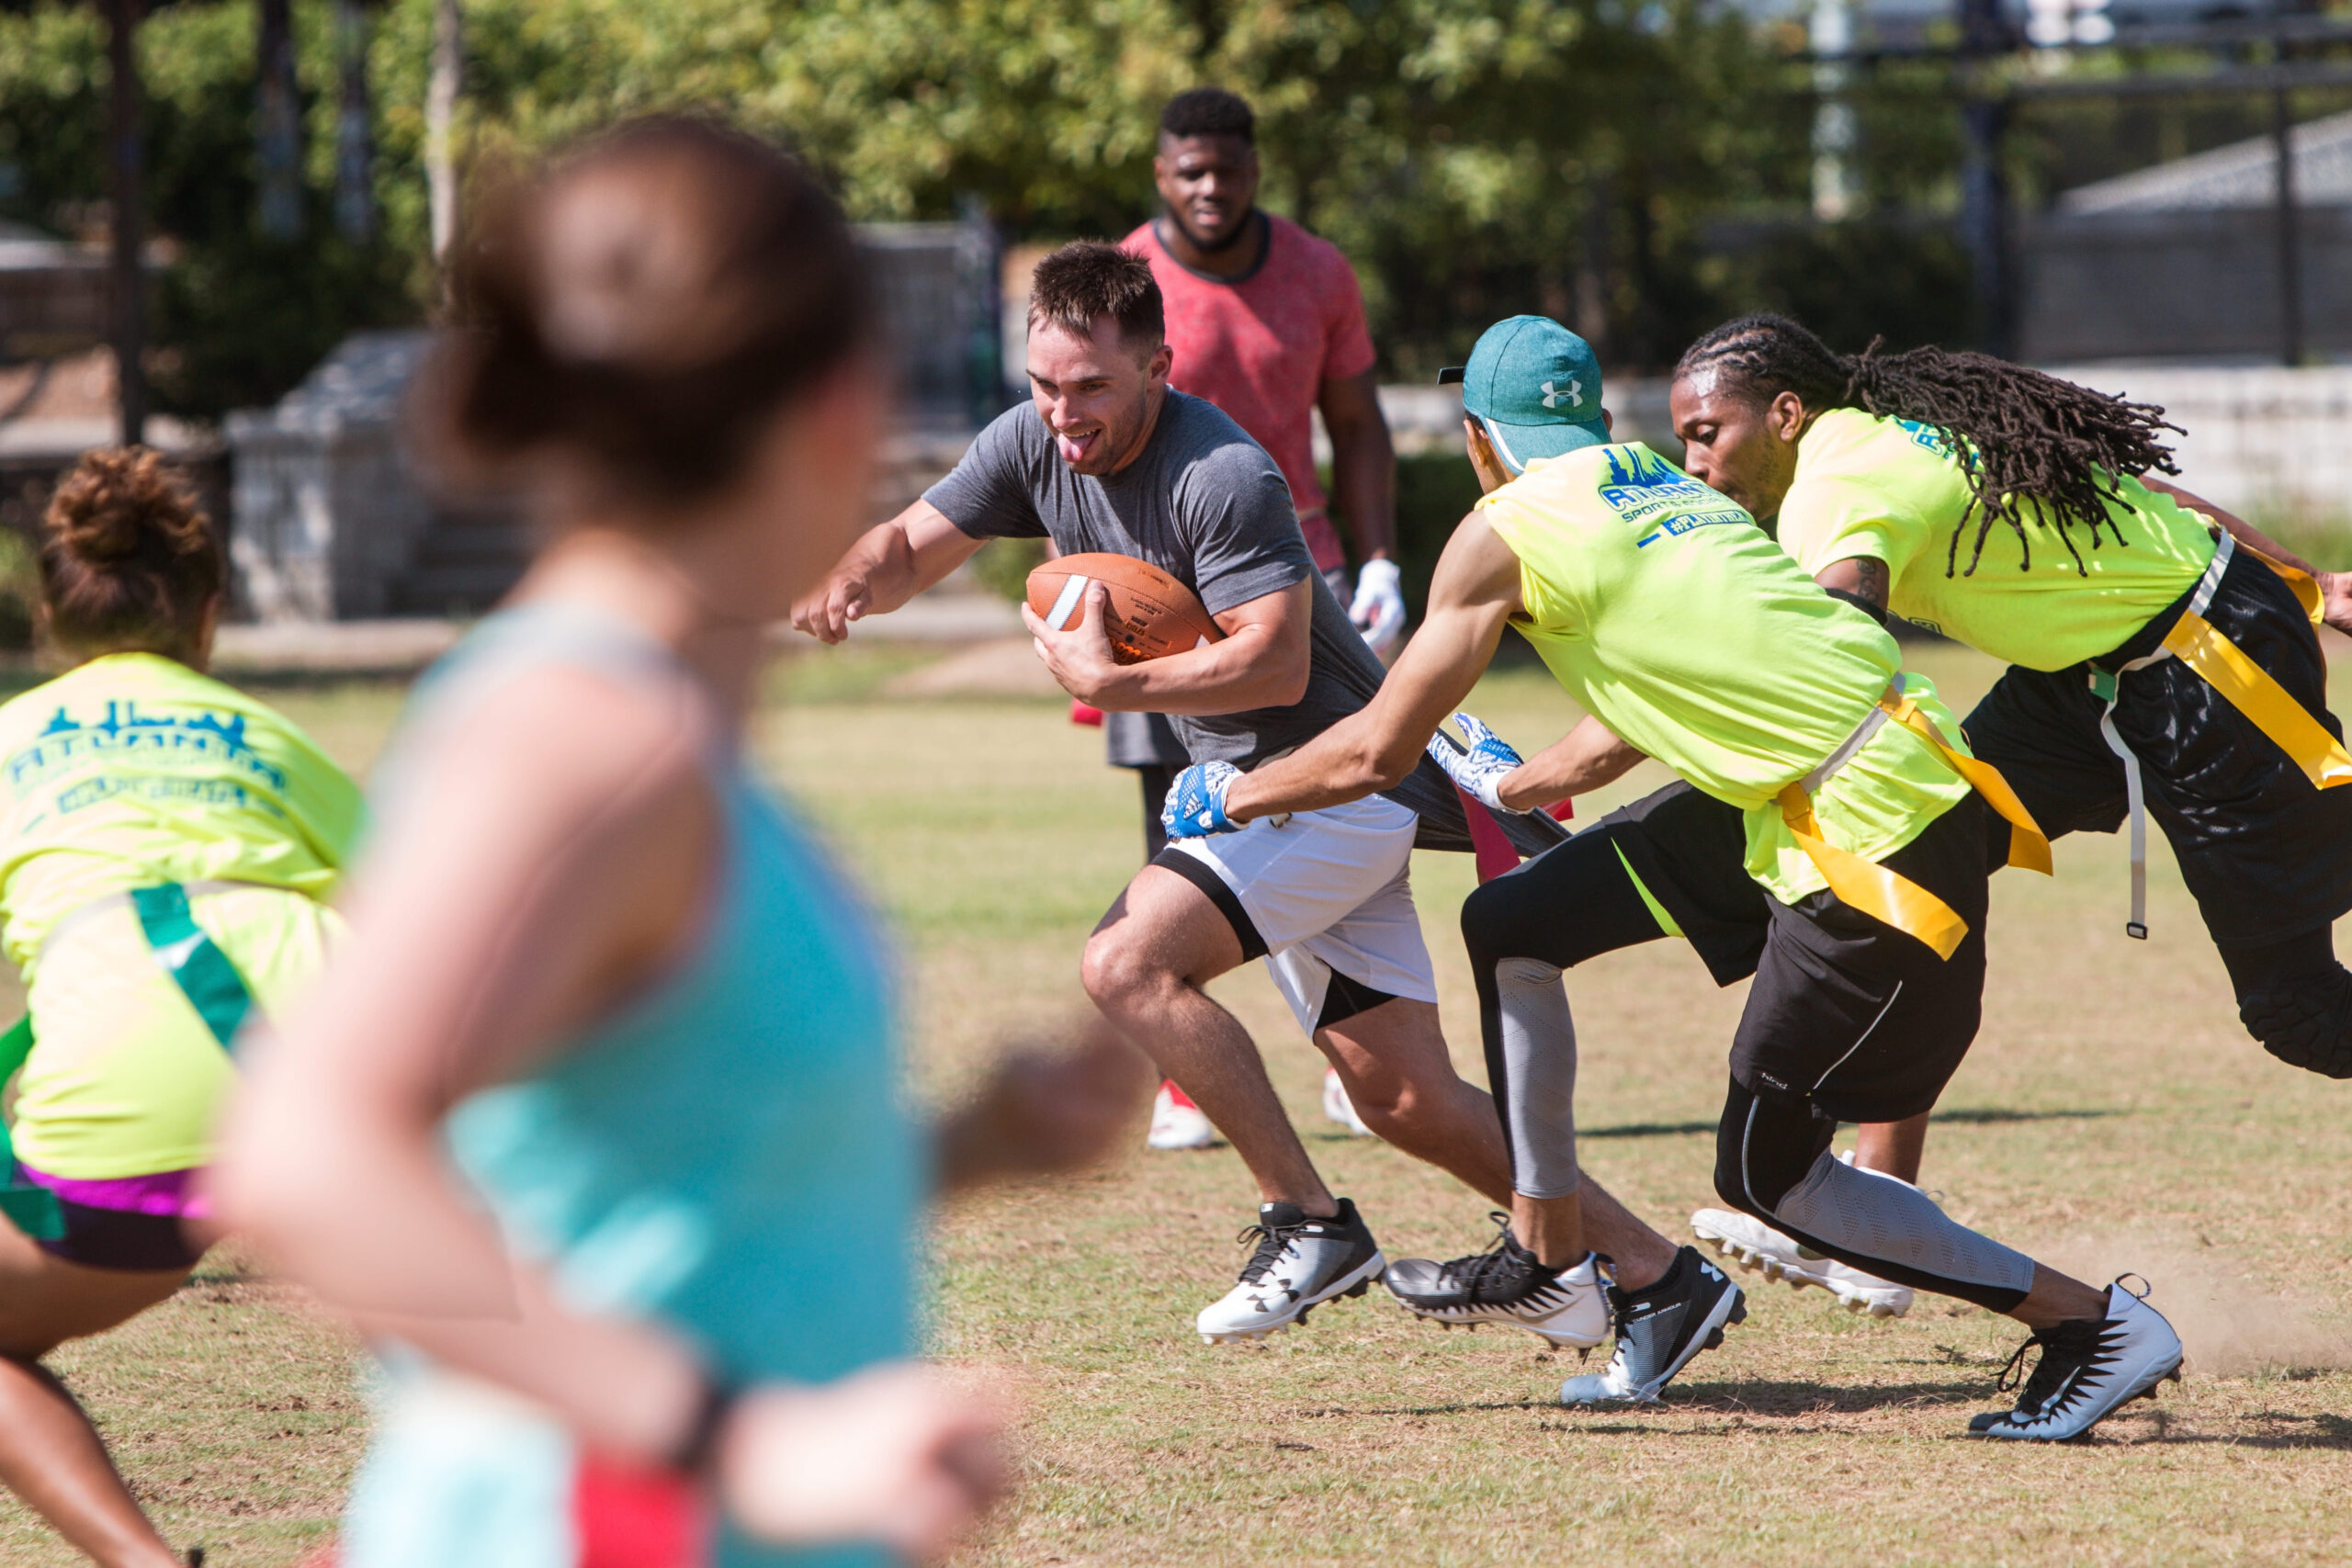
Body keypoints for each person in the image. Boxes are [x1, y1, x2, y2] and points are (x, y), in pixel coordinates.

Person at [219, 119, 1148, 1568]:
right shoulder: (589, 734)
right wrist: (736, 1438)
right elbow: (304, 1152)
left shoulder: (647, 725)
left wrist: (969, 1146)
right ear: (840, 404)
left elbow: (650, 1201)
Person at [1177, 314, 2186, 1438]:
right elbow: (1647, 709)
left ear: (1476, 440)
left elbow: (1374, 751)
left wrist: (1233, 794)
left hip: (1871, 835)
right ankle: (1554, 1257)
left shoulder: (1499, 527)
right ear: (1597, 419)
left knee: (1768, 1180)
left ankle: (2091, 1325)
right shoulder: (1665, 485)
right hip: (1840, 780)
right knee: (1515, 923)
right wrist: (1512, 784)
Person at [792, 244, 1683, 1351]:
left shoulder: (1222, 471)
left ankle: (1309, 1221)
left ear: (1157, 367)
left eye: (1090, 387)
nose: (1062, 413)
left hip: (1330, 782)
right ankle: (1654, 1272)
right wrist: (848, 575)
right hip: (1269, 799)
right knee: (1406, 1100)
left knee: (1125, 964)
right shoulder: (1033, 440)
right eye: (1043, 384)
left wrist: (1113, 685)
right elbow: (910, 546)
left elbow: (1275, 662)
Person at [1667, 313, 2352, 1308]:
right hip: (2092, 673)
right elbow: (2141, 494)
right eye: (1683, 439)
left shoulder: (1833, 486)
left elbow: (1838, 631)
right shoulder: (1892, 429)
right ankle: (1870, 1210)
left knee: (2297, 1011)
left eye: (1705, 433)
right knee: (1918, 851)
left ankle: (1846, 1203)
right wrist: (2310, 579)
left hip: (2208, 668)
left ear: (1783, 413)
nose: (1692, 461)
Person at [0, 446, 361, 1567]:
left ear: (47, 620)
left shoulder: (12, 738)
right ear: (209, 616)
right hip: (330, 1027)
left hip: (130, 1046)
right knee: (515, 1363)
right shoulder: (266, 735)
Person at [1117, 86, 1404, 1149]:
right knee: (1173, 820)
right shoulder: (1123, 276)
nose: (1208, 187)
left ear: (1253, 170)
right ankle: (1185, 1075)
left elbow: (1357, 422)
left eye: (1226, 169)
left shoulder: (1317, 272)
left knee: (1332, 811)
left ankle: (1358, 1062)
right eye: (1188, 170)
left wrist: (1380, 558)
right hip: (1154, 592)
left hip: (1298, 584)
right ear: (1161, 172)